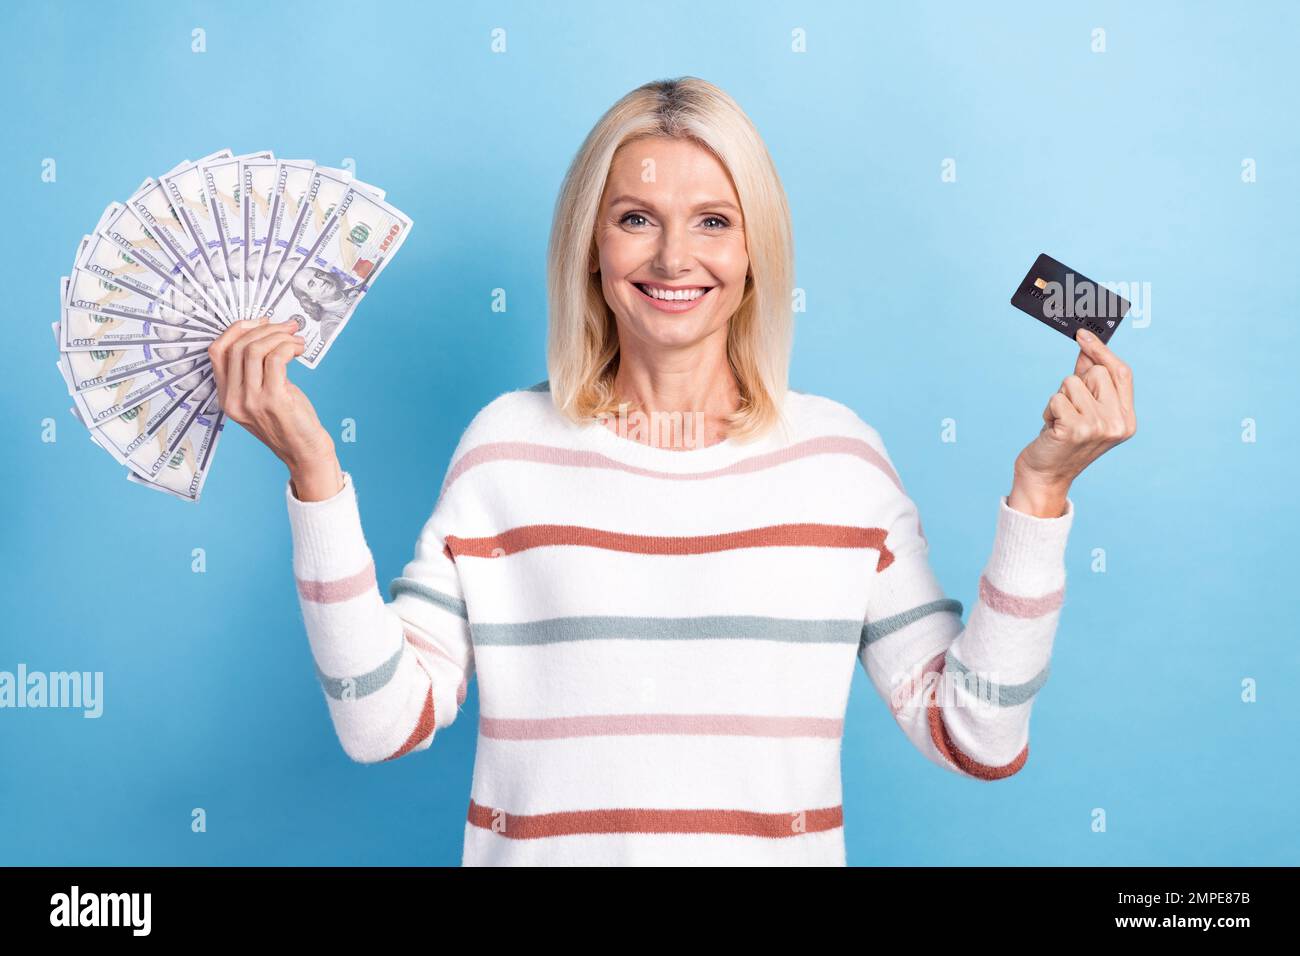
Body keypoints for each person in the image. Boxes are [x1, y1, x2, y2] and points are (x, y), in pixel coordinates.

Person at [207, 76, 1137, 866]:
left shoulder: (840, 462)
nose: (673, 257)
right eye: (636, 218)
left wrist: (1041, 496)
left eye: (714, 222)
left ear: (755, 254)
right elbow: (381, 724)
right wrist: (316, 478)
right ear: (592, 249)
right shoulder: (506, 446)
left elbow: (975, 735)